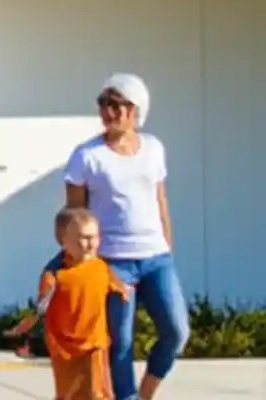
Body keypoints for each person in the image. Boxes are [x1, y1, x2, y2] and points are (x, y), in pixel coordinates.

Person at [65, 73, 190, 400]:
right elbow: (75, 216)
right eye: (104, 103)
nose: (108, 111)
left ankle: (146, 393)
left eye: (117, 105)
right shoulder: (86, 156)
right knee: (119, 342)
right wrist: (85, 264)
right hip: (111, 263)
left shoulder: (154, 149)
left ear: (136, 111)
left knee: (177, 332)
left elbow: (160, 201)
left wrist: (167, 246)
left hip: (156, 259)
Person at [5, 207, 131, 400]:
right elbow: (40, 309)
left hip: (94, 345)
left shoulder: (101, 267)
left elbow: (118, 286)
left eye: (95, 237)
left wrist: (124, 290)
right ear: (64, 242)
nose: (91, 244)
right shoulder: (55, 276)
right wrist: (22, 328)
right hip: (65, 351)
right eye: (84, 238)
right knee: (70, 394)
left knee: (98, 393)